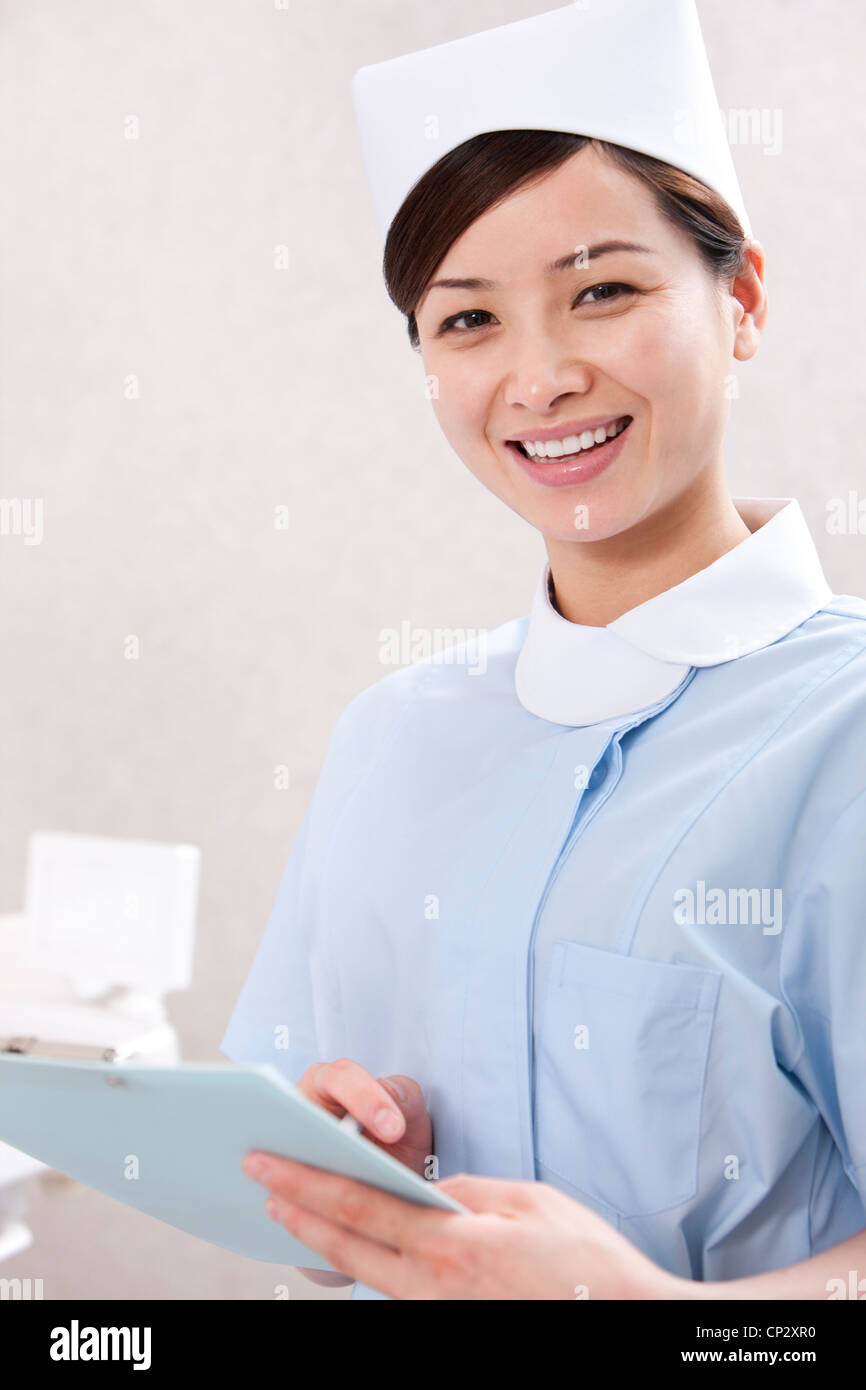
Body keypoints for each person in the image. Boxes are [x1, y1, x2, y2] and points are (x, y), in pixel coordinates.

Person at [221, 1, 866, 1300]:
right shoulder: (393, 737)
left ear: (738, 297)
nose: (540, 375)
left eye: (603, 292)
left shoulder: (841, 732)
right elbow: (279, 1176)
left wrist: (660, 1317)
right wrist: (355, 1162)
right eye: (467, 322)